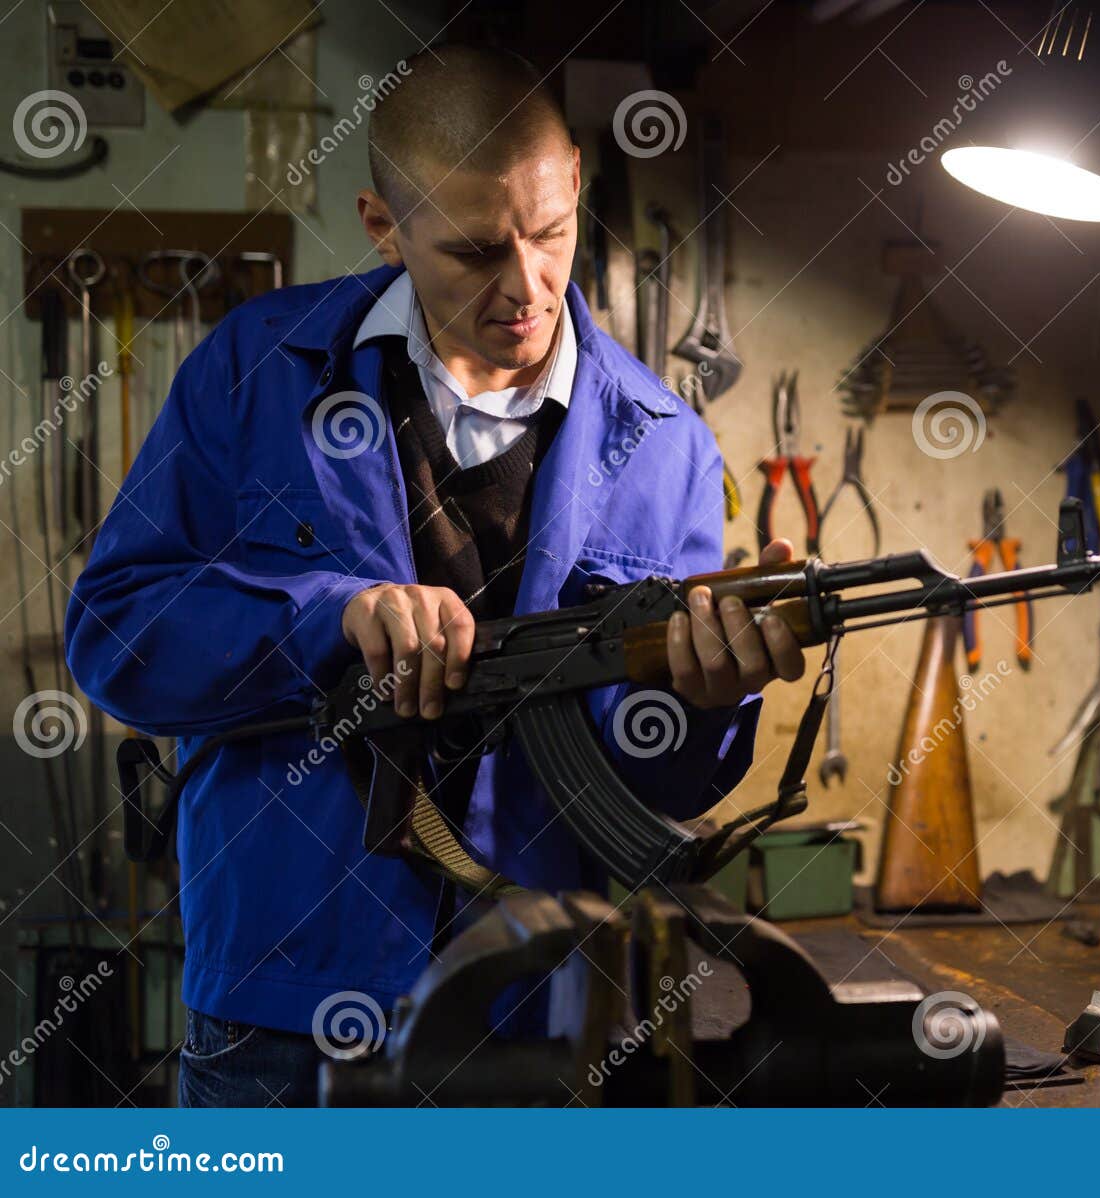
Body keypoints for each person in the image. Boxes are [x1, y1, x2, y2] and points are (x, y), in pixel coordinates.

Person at [64, 44, 802, 1107]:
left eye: (551, 233)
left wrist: (709, 696)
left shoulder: (666, 444)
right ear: (383, 225)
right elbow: (118, 636)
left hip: (545, 1005)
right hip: (287, 1002)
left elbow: (662, 784)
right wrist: (329, 621)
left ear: (576, 187)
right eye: (474, 250)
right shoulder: (252, 369)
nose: (527, 286)